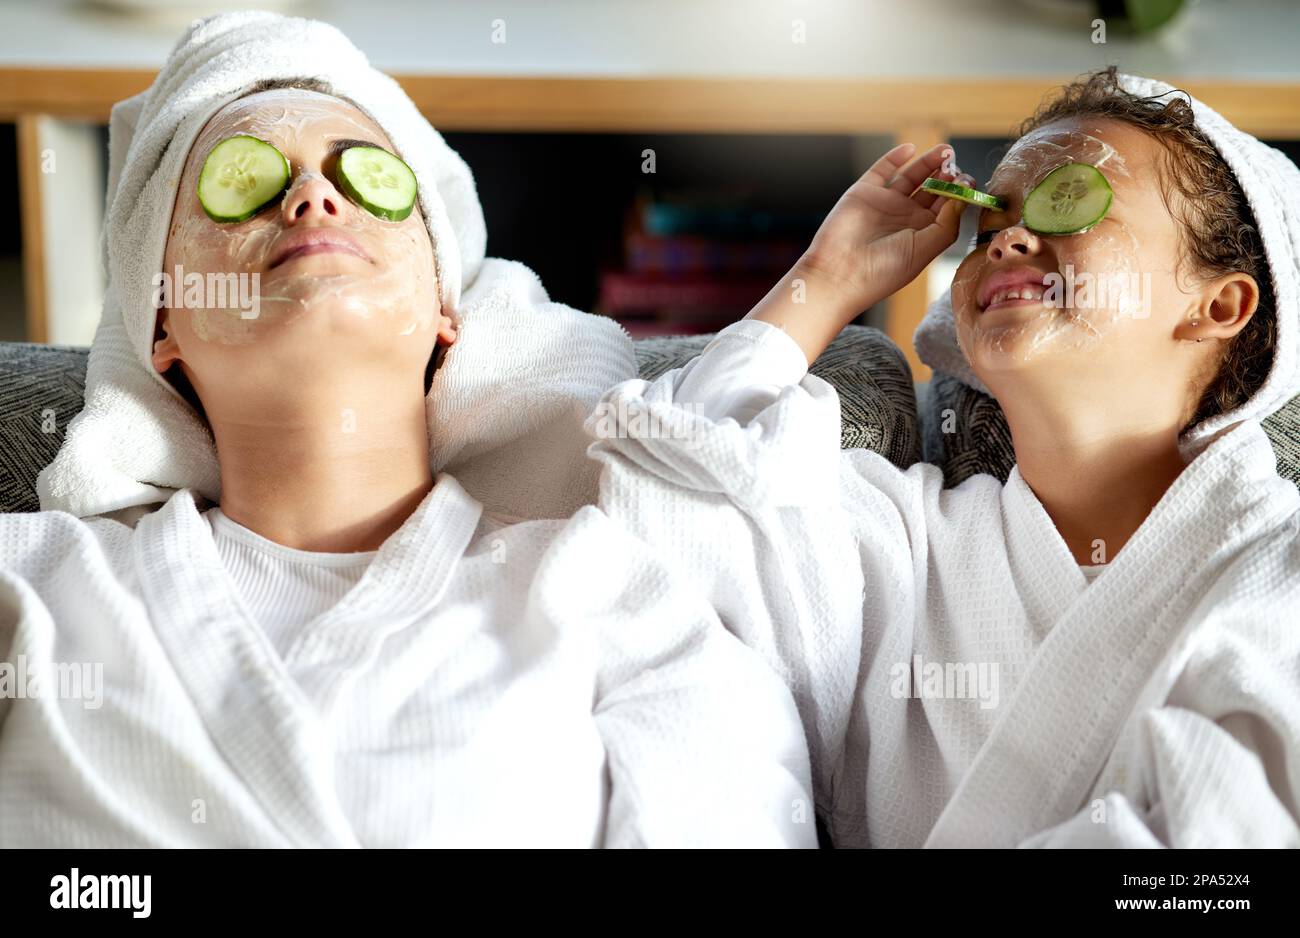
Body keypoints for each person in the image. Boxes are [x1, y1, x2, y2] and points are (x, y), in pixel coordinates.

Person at [0, 12, 815, 849]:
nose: (313, 196)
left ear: (443, 310)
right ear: (159, 321)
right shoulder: (37, 588)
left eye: (363, 177)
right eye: (242, 181)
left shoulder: (608, 598)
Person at [588, 68, 1300, 847]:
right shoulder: (899, 540)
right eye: (990, 225)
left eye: (1071, 200)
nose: (1007, 241)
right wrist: (826, 279)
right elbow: (669, 515)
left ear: (1218, 306)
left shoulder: (1276, 574)